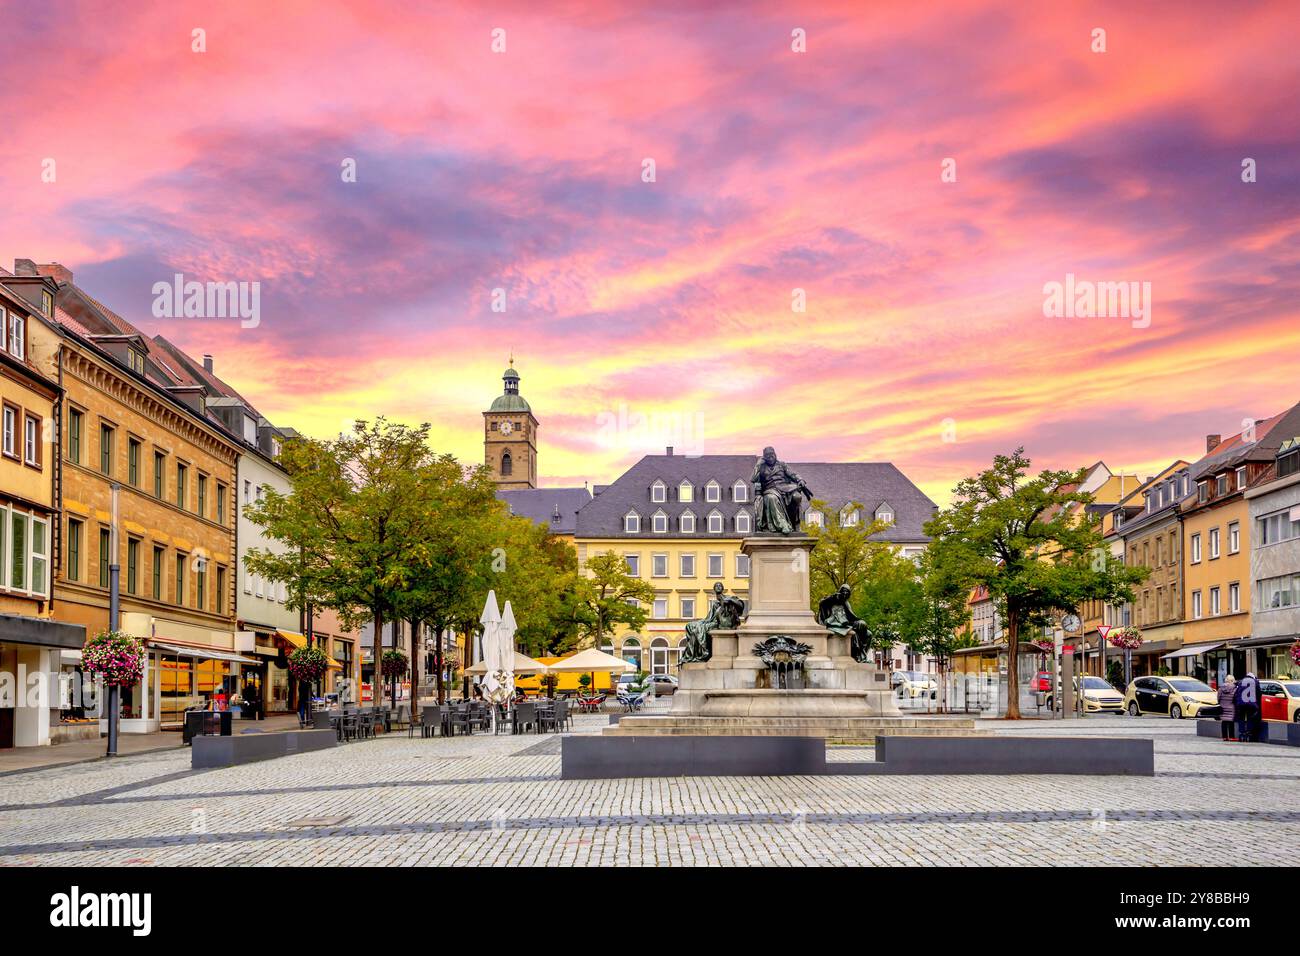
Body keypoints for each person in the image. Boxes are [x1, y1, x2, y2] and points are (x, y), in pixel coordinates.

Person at [1234, 672, 1260, 742]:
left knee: (1241, 718)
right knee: (1250, 718)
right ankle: (1249, 733)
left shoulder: (1240, 682)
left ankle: (1241, 734)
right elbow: (1258, 693)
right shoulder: (1255, 682)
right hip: (1252, 704)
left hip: (1241, 704)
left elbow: (1236, 693)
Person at [1216, 674, 1236, 741]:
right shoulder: (1235, 688)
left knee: (1224, 721)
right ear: (1233, 680)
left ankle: (1224, 737)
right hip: (1232, 707)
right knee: (1231, 722)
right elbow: (1235, 698)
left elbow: (1218, 698)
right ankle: (1231, 736)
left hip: (1223, 707)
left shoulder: (1221, 688)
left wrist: (1220, 702)